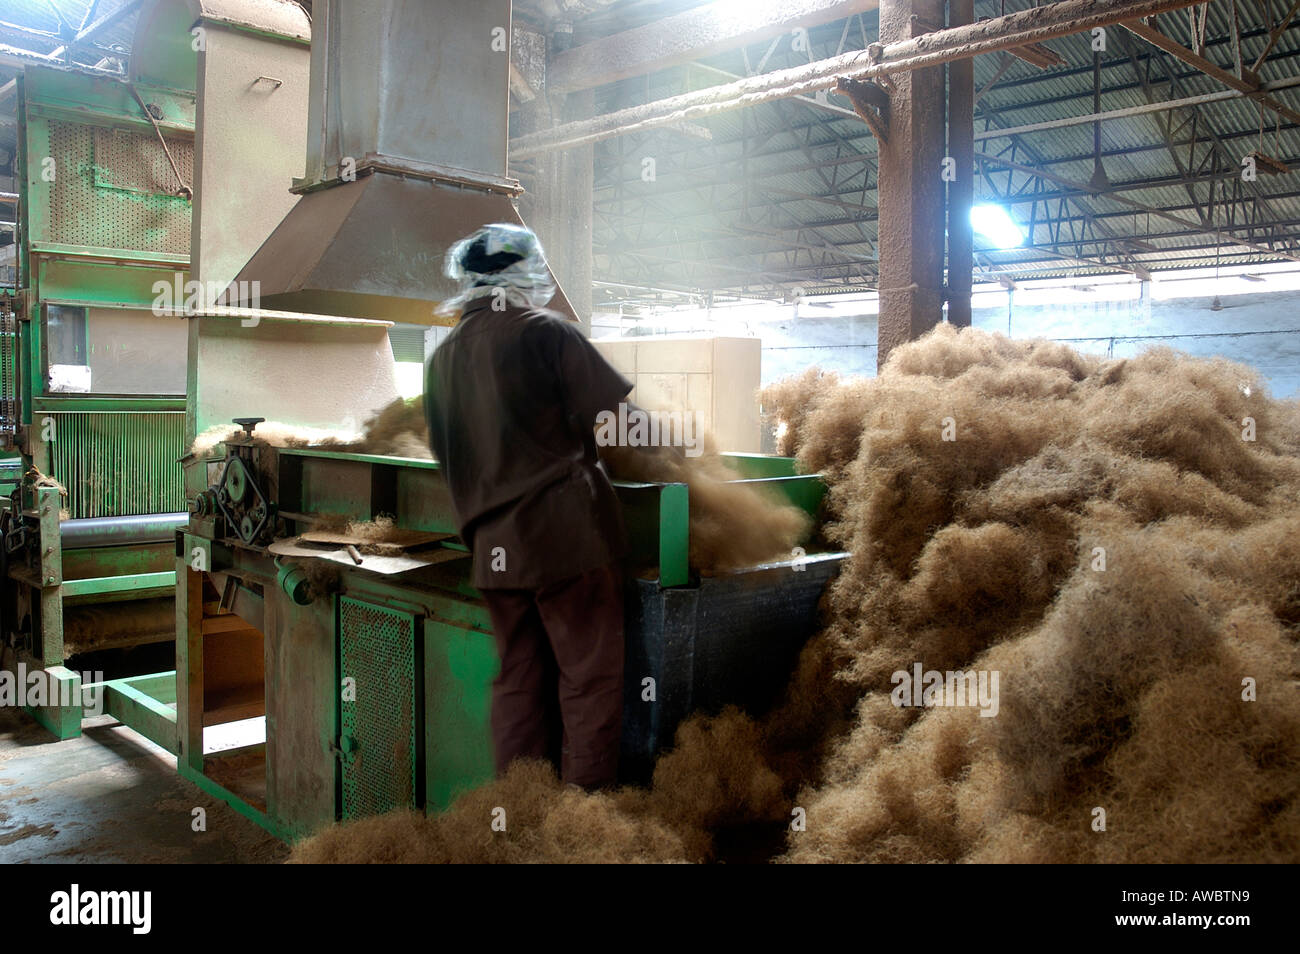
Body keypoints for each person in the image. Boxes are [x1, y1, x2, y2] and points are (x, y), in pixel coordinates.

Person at [424, 223, 631, 790]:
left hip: (493, 549)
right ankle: (581, 829)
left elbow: (448, 456)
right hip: (566, 541)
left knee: (518, 682)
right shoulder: (545, 333)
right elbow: (621, 425)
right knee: (588, 685)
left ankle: (519, 816)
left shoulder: (442, 360)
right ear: (527, 273)